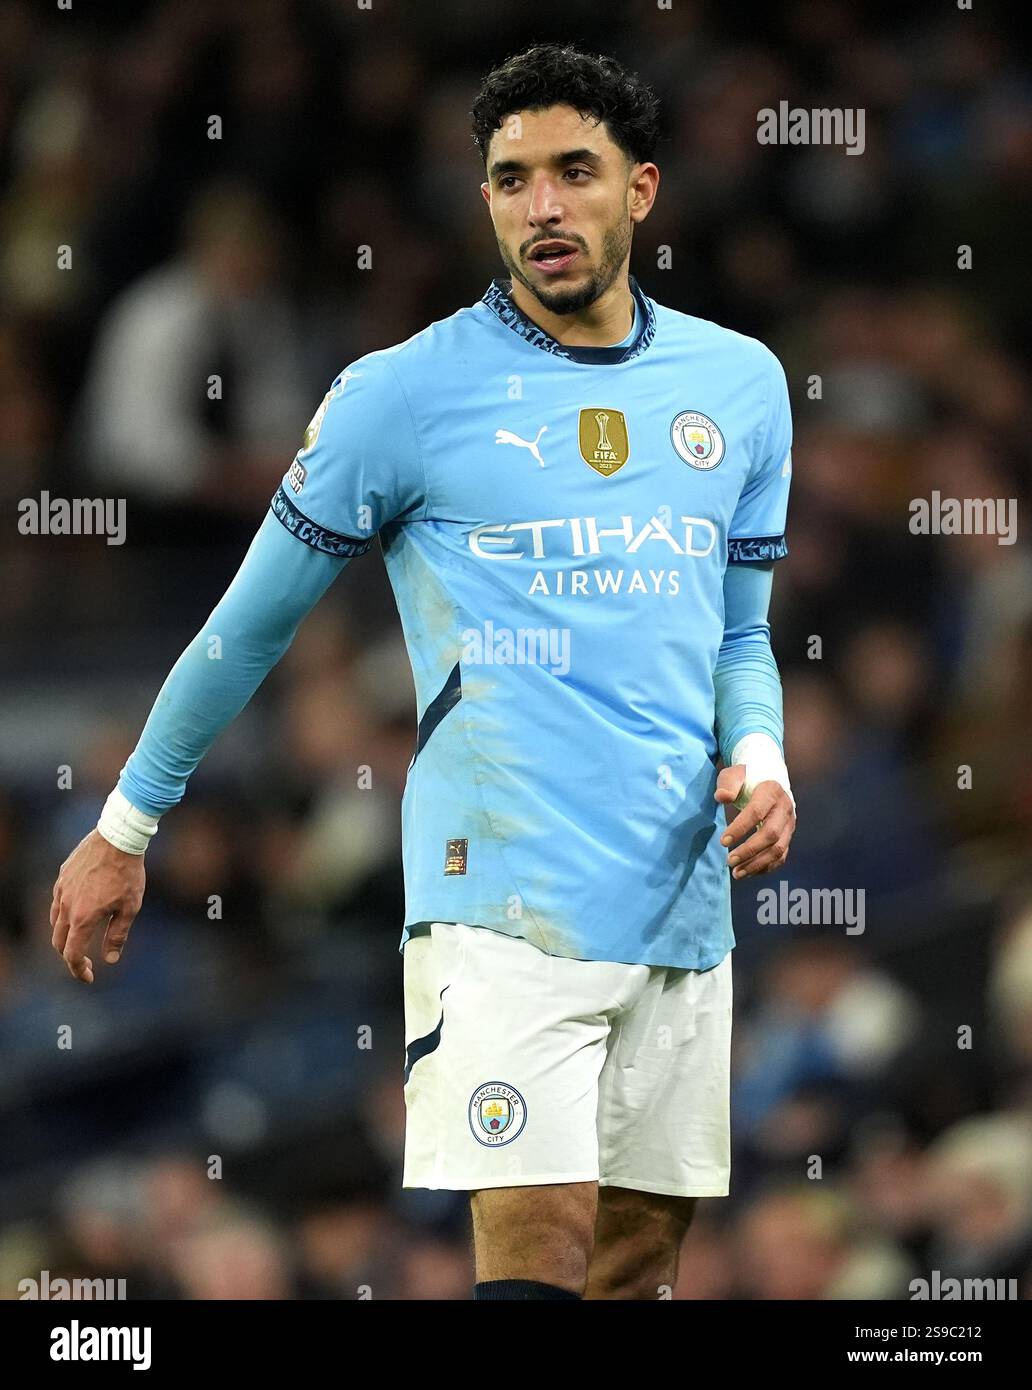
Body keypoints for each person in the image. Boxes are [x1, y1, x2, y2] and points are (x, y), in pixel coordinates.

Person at [51, 44, 797, 1300]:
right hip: (497, 893)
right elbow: (251, 621)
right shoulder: (400, 395)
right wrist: (128, 821)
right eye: (512, 180)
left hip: (680, 896)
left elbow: (738, 635)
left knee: (635, 1263)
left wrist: (763, 751)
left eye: (575, 172)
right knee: (539, 1245)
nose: (543, 207)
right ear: (487, 199)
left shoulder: (743, 386)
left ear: (644, 190)